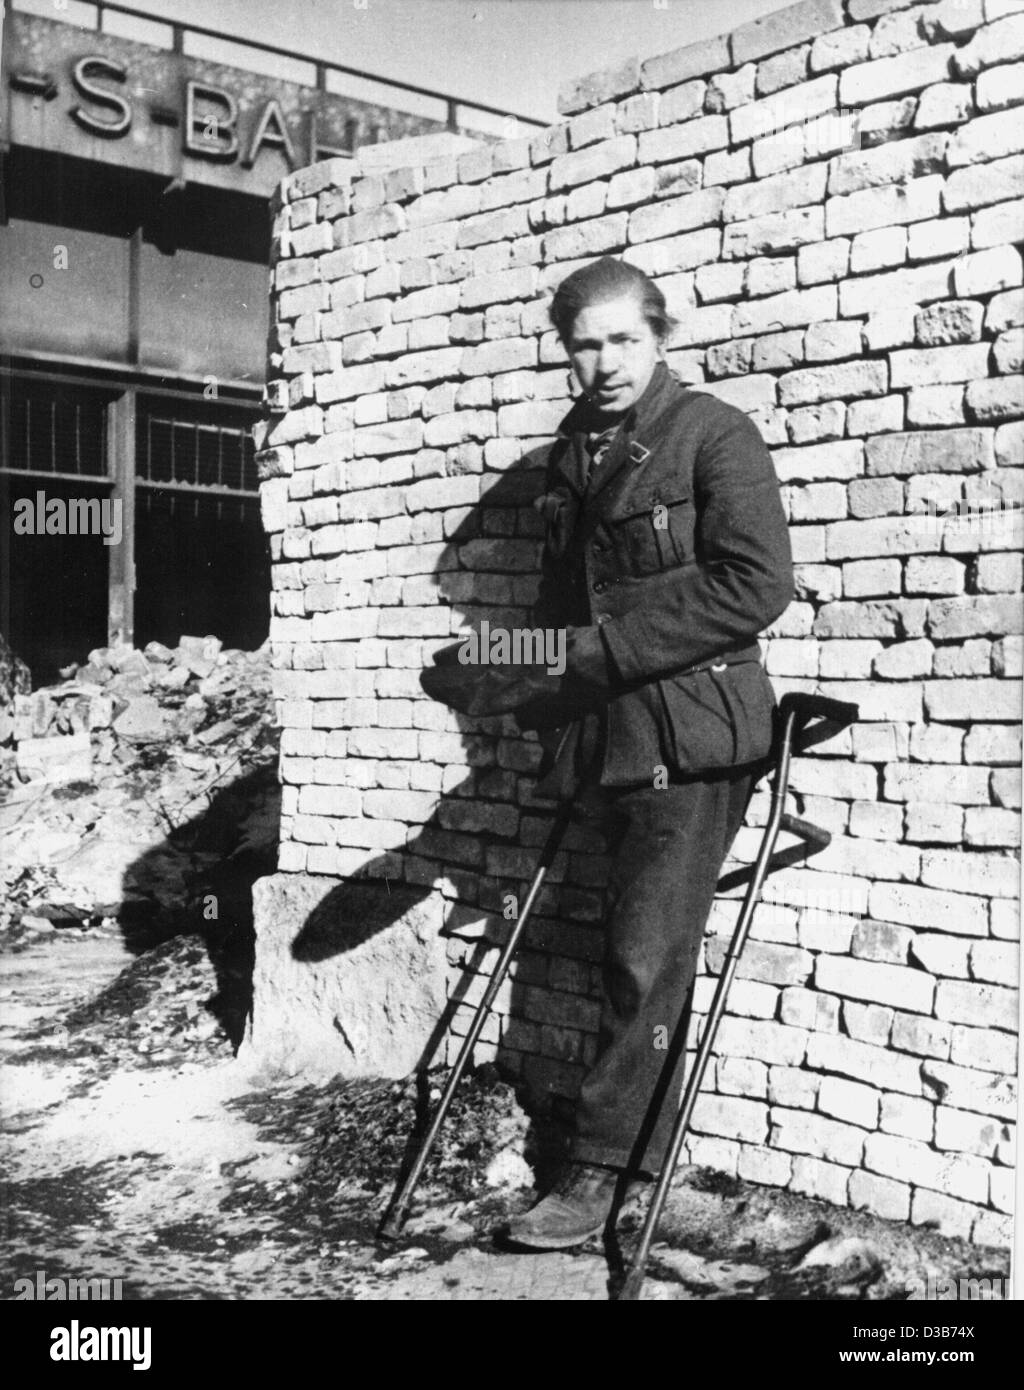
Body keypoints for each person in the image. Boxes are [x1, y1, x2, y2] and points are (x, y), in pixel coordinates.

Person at [504, 256, 795, 1249]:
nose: (604, 362)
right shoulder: (569, 456)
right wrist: (521, 676)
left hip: (691, 737)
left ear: (660, 336)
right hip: (604, 740)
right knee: (620, 949)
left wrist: (605, 652)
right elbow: (558, 606)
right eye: (584, 344)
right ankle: (621, 1147)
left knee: (642, 958)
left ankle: (598, 1170)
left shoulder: (713, 433)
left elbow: (753, 585)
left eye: (623, 339)